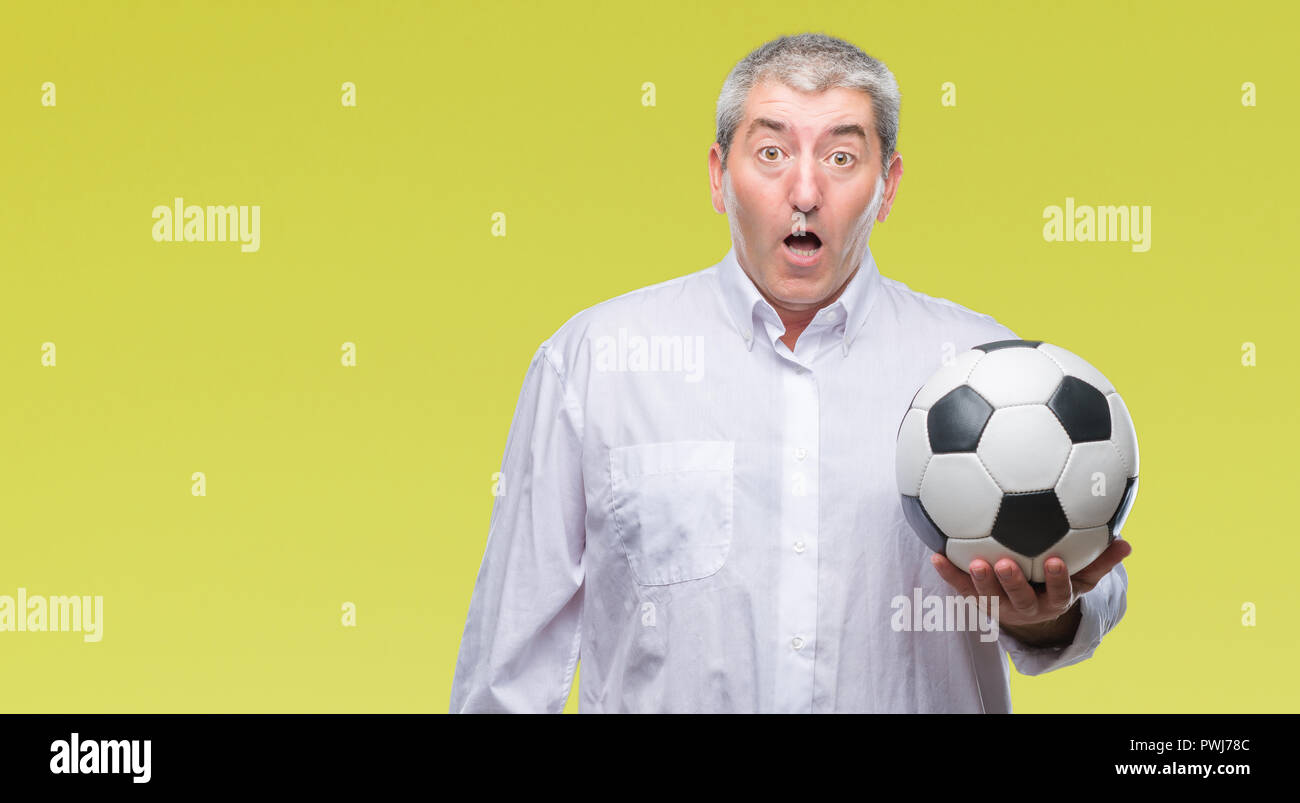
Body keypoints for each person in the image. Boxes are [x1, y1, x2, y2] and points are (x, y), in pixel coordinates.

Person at [450, 32, 1130, 713]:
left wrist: (1041, 613)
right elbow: (508, 666)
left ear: (887, 186)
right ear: (718, 176)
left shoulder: (986, 367)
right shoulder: (593, 362)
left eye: (841, 157)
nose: (804, 191)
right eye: (771, 152)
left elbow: (1088, 595)